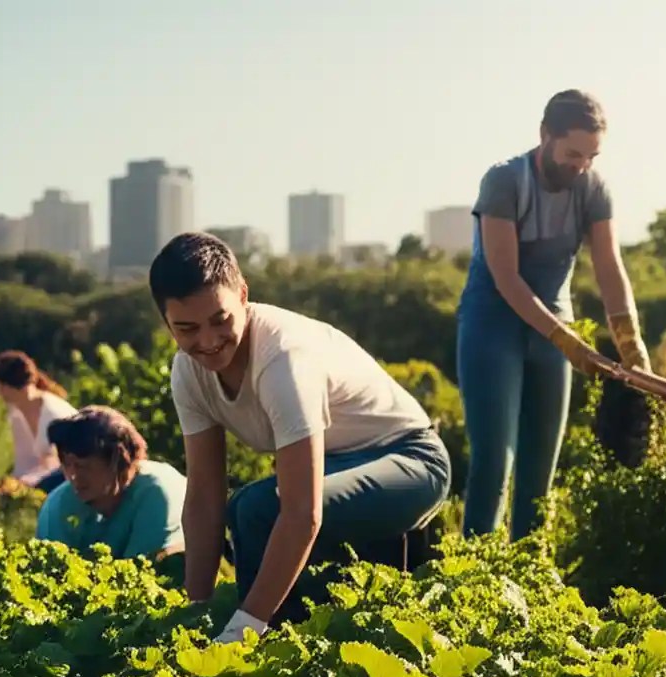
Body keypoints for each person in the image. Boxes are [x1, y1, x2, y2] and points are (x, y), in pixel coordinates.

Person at [152, 232, 451, 644]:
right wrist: (196, 612)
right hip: (340, 467)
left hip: (411, 461)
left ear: (242, 295)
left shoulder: (283, 359)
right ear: (167, 323)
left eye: (220, 320)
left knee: (257, 509)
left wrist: (243, 629)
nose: (207, 341)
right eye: (186, 328)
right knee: (244, 508)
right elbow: (204, 498)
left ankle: (269, 642)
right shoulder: (188, 373)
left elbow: (302, 513)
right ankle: (275, 637)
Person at [456, 89, 649, 541]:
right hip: (493, 325)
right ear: (545, 135)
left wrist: (630, 342)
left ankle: (530, 577)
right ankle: (472, 573)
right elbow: (506, 279)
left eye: (591, 156)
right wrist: (566, 340)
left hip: (554, 328)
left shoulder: (593, 189)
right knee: (493, 464)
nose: (581, 165)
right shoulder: (504, 181)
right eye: (572, 153)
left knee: (541, 468)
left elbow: (609, 268)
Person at [35, 406, 187, 566]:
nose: (73, 476)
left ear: (117, 462)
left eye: (83, 466)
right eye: (67, 465)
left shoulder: (157, 494)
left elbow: (144, 574)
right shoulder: (57, 506)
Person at [0, 350, 77, 492]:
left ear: (3, 386)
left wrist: (25, 485)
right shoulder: (16, 414)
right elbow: (24, 464)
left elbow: (57, 465)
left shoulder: (53, 413)